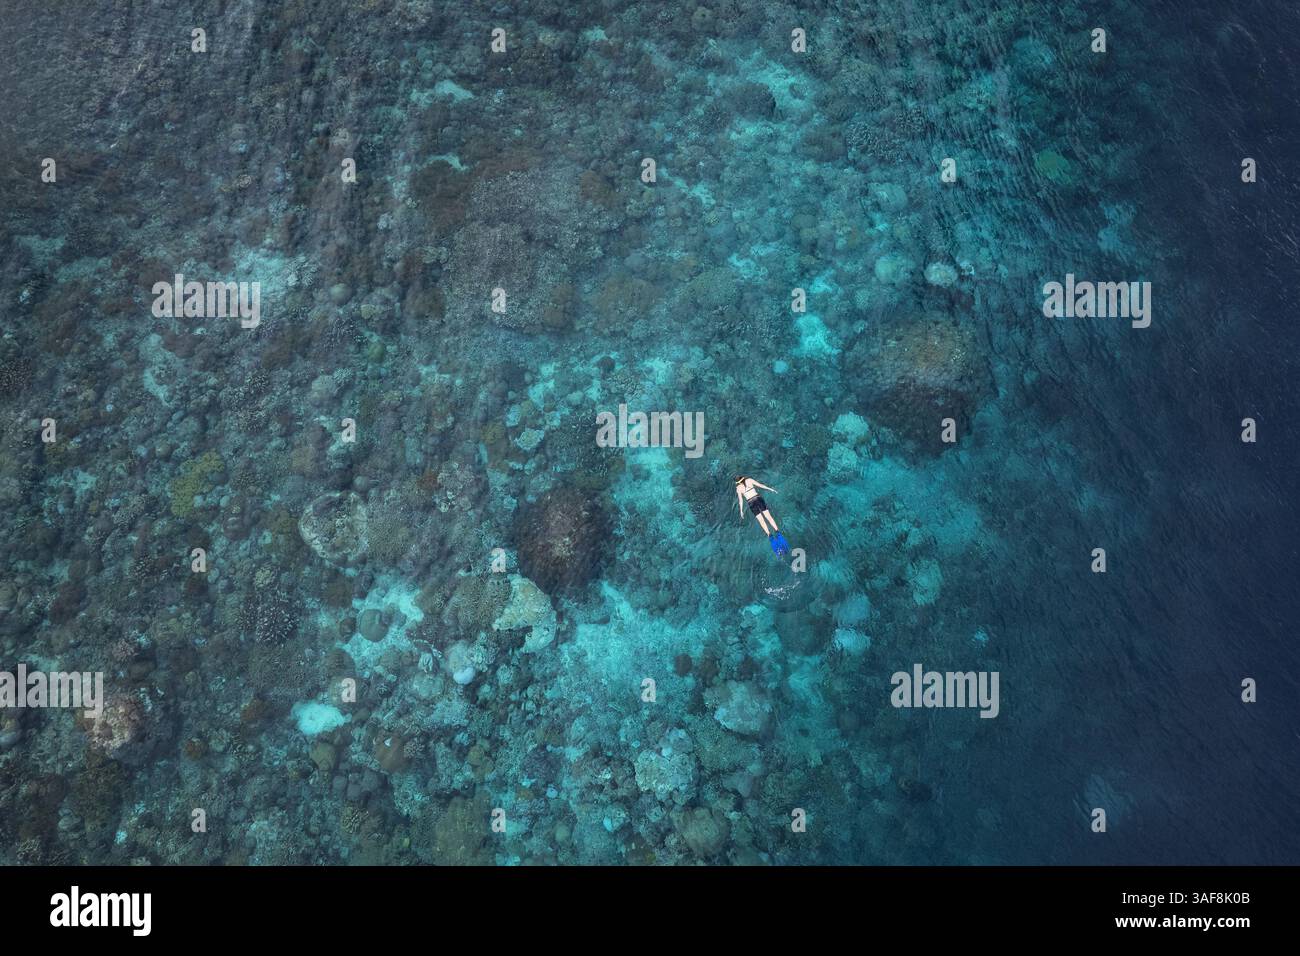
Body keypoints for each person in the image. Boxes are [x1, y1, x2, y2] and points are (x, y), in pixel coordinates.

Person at [734, 476, 790, 556]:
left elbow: (740, 501)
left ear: (737, 482)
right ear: (742, 478)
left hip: (751, 503)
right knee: (769, 517)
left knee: (761, 521)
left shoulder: (738, 488)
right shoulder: (749, 480)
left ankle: (770, 535)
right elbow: (761, 485)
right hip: (758, 499)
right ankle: (777, 532)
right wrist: (771, 489)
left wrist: (741, 511)